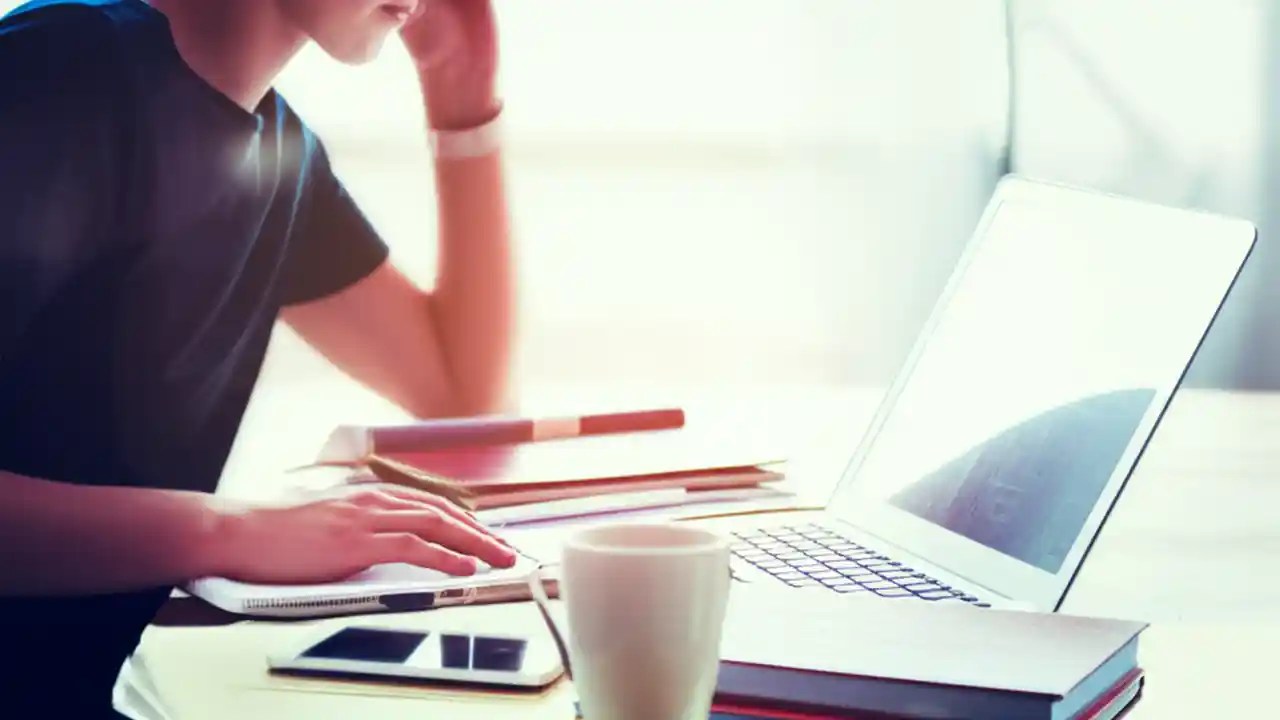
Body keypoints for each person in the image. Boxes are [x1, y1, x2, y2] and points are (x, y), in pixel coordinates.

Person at [0, 0, 519, 715]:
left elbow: (459, 394)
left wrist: (463, 92)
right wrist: (230, 531)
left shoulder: (282, 159)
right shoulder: (57, 72)